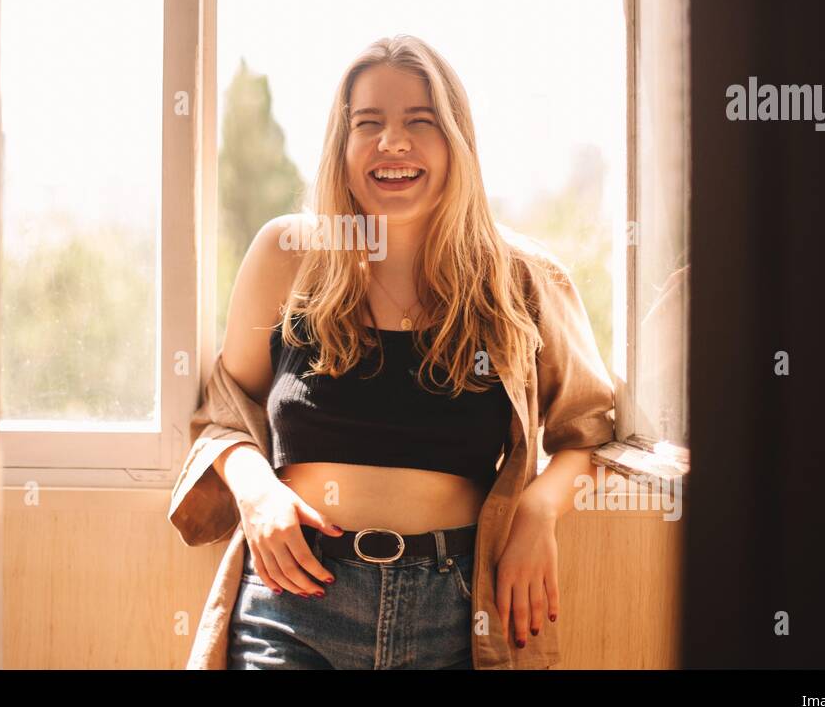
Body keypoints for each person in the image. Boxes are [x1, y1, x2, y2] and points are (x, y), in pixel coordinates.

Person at [169, 33, 616, 669]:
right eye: (368, 123)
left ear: (456, 140)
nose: (392, 142)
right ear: (342, 146)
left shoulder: (519, 278)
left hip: (455, 610)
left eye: (420, 122)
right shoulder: (287, 256)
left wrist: (540, 512)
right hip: (293, 601)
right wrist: (256, 490)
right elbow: (223, 414)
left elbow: (589, 428)